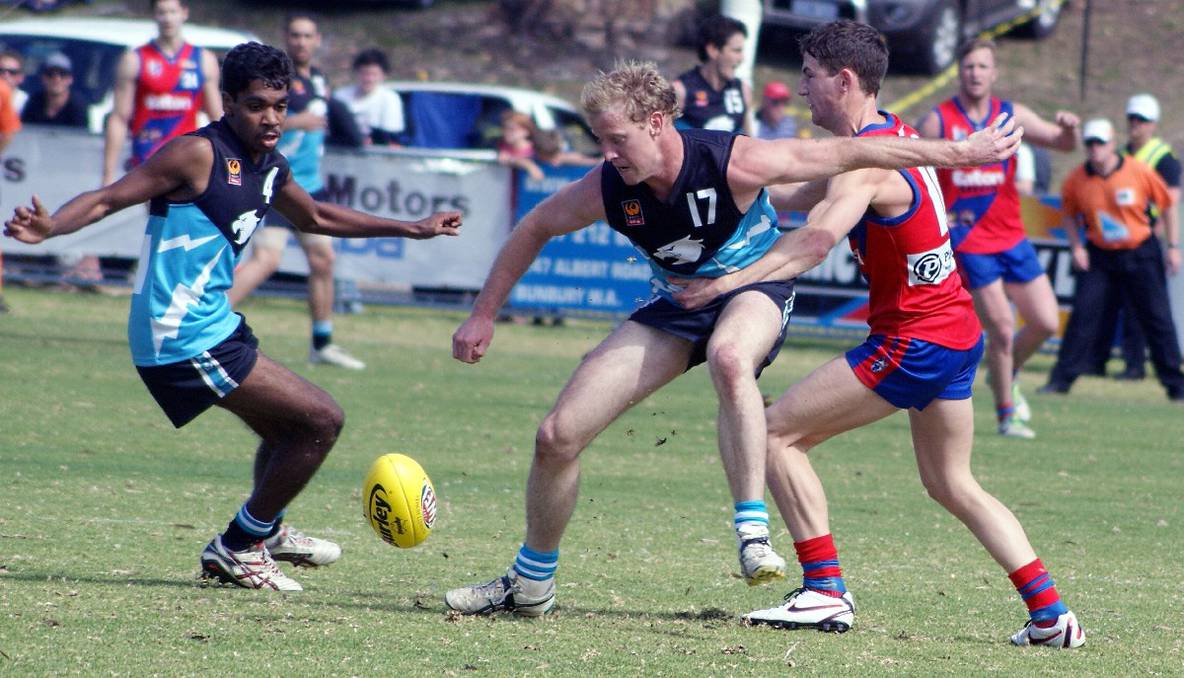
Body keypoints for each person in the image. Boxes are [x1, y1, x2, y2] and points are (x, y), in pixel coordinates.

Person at [442, 59, 1021, 617]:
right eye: (599, 140)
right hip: (680, 304)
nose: (607, 154)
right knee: (557, 435)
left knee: (729, 354)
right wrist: (483, 314)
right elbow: (536, 225)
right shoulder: (607, 185)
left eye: (617, 138)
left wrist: (958, 153)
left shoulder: (729, 159)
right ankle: (532, 581)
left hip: (754, 289)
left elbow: (852, 150)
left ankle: (752, 532)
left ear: (656, 122)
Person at [672, 20, 1083, 648]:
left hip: (913, 342)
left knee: (777, 432)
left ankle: (824, 591)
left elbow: (815, 240)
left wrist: (723, 285)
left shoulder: (865, 166)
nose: (801, 89)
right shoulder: (887, 139)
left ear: (842, 80)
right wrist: (697, 179)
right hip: (953, 333)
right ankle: (1052, 615)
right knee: (952, 483)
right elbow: (789, 191)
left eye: (809, 75)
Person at [3, 42, 462, 591]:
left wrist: (412, 227)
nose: (271, 118)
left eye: (280, 105)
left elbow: (315, 215)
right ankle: (240, 545)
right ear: (227, 102)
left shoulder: (270, 165)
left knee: (290, 428)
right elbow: (107, 199)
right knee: (321, 420)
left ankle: (261, 532)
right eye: (256, 105)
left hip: (213, 323)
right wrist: (51, 229)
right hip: (177, 332)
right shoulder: (197, 154)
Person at [917, 38, 1080, 440]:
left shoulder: (1010, 114)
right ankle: (1008, 414)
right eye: (968, 66)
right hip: (969, 240)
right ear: (959, 71)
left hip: (1011, 237)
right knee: (1003, 329)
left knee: (1044, 321)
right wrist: (941, 215)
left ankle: (1003, 373)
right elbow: (915, 171)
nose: (975, 73)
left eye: (982, 66)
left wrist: (1068, 129)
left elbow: (1061, 144)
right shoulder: (938, 121)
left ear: (994, 73)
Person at [227, 14, 365, 370]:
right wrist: (296, 122)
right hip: (276, 182)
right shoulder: (276, 80)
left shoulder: (318, 79)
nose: (301, 41)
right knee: (267, 260)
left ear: (317, 40)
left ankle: (322, 342)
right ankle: (207, 324)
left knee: (324, 260)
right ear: (286, 38)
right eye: (295, 35)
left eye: (307, 36)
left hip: (311, 184)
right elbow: (253, 122)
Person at [1040, 119, 1184, 400]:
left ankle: (1176, 386)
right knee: (1083, 315)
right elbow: (1068, 214)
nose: (1094, 149)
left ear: (1112, 144)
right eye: (1090, 143)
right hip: (1101, 254)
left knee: (1157, 318)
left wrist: (1173, 246)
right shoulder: (1077, 179)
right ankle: (1061, 380)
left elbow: (1167, 206)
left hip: (1140, 250)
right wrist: (1076, 248)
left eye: (1100, 143)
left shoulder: (1138, 171)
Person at [1095, 94, 1182, 381]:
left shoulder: (1164, 159)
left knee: (1140, 308)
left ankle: (1136, 366)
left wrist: (1169, 244)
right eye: (1132, 118)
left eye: (1142, 120)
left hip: (1144, 241)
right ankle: (1099, 360)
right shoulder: (1119, 154)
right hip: (1113, 243)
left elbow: (1169, 203)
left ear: (1153, 124)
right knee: (1108, 305)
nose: (1136, 124)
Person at [673, 14, 750, 134]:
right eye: (736, 51)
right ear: (713, 50)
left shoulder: (743, 90)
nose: (742, 58)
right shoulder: (680, 91)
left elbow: (750, 142)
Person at [333, 48, 404, 146]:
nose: (369, 79)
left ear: (383, 76)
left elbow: (391, 138)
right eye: (364, 73)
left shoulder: (390, 99)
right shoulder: (340, 96)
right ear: (356, 73)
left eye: (374, 74)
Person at [20, 53, 89, 127]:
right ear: (43, 78)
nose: (56, 79)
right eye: (50, 74)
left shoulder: (78, 107)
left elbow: (81, 135)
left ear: (70, 79)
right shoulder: (34, 102)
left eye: (62, 74)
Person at [495, 109, 544, 181]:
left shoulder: (538, 149)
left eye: (512, 129)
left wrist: (528, 165)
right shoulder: (500, 146)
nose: (506, 132)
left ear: (526, 131)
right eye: (504, 128)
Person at [0, 50, 28, 115]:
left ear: (21, 77)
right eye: (1, 70)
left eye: (12, 72)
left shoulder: (27, 102)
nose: (5, 75)